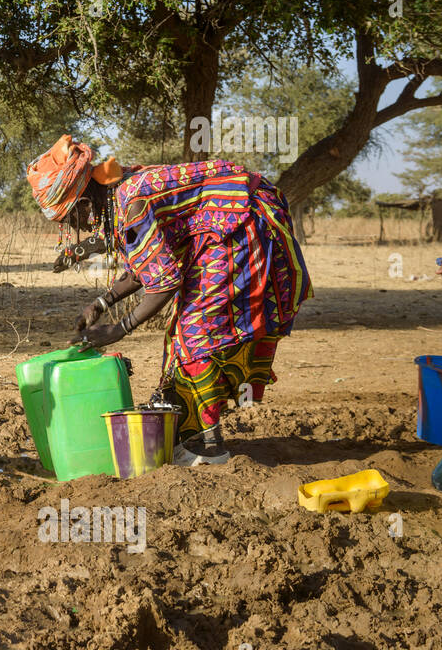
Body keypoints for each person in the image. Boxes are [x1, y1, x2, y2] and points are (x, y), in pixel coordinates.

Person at [26, 135, 313, 465]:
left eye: (70, 219)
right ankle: (189, 433)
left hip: (244, 228)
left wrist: (119, 329)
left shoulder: (130, 201)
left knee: (198, 331)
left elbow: (164, 281)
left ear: (85, 204)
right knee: (184, 334)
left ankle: (209, 448)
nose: (75, 228)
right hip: (225, 232)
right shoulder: (117, 197)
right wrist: (101, 304)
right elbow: (144, 266)